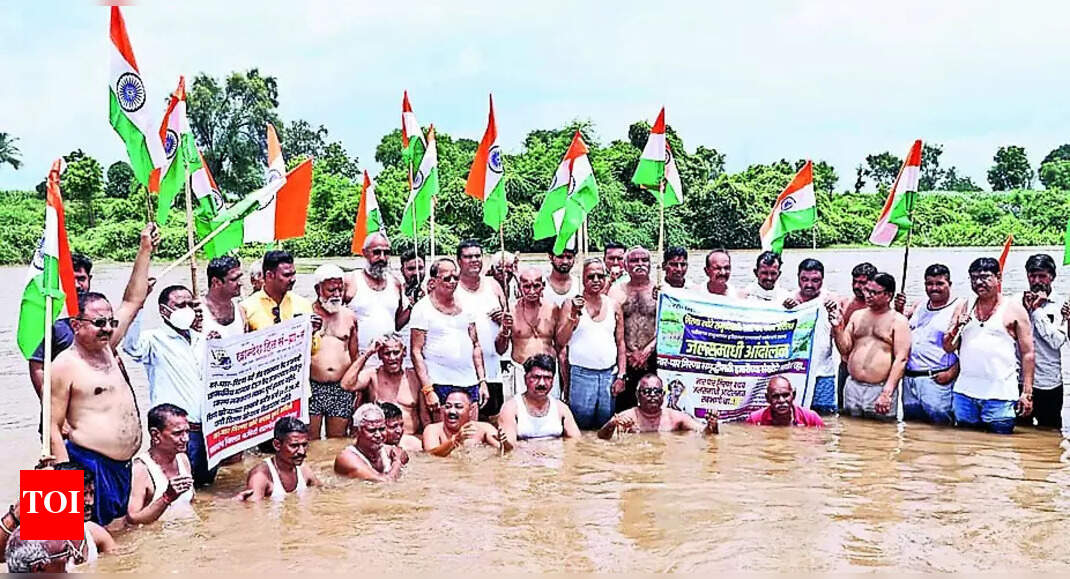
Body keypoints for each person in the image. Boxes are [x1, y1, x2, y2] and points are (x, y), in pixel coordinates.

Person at [49, 224, 159, 527]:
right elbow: (51, 429)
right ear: (76, 325)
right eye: (99, 323)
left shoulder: (107, 347)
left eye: (111, 322)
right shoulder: (64, 365)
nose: (108, 328)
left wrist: (145, 249)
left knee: (120, 537)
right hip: (86, 465)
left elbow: (132, 302)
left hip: (121, 466)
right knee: (71, 539)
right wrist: (65, 477)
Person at [122, 284, 217, 486]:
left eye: (190, 304)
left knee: (206, 488)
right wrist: (138, 305)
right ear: (164, 311)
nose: (187, 310)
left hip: (207, 431)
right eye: (180, 305)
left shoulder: (202, 339)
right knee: (173, 487)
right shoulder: (153, 340)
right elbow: (131, 347)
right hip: (174, 433)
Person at [944, 258, 1035, 434]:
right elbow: (948, 347)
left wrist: (1026, 393)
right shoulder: (964, 306)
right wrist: (956, 327)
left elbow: (1028, 353)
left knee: (1000, 446)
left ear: (998, 278)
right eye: (974, 278)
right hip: (965, 393)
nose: (979, 282)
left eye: (985, 277)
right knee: (964, 444)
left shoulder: (1014, 309)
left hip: (1001, 395)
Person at [410, 258, 488, 420]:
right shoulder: (422, 309)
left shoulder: (467, 305)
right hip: (439, 382)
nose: (452, 282)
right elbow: (416, 351)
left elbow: (476, 345)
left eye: (455, 277)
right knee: (442, 434)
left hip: (469, 382)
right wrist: (428, 390)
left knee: (471, 433)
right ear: (433, 281)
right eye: (447, 278)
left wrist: (482, 381)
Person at [0, 462, 115, 569]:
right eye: (82, 494)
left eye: (91, 493)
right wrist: (17, 514)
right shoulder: (36, 540)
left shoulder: (95, 534)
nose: (90, 502)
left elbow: (116, 565)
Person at [556, 258, 627, 429]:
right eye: (590, 276)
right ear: (582, 278)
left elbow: (620, 343)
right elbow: (561, 341)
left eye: (600, 276)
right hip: (581, 375)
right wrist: (573, 314)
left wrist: (621, 375)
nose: (596, 280)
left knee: (607, 427)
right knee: (580, 428)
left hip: (609, 375)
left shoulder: (614, 305)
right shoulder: (570, 304)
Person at [832, 272, 911, 420]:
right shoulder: (857, 315)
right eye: (867, 290)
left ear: (888, 295)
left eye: (874, 292)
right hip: (853, 386)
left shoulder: (899, 321)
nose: (868, 295)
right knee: (849, 429)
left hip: (880, 388)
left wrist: (887, 393)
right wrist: (837, 328)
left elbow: (901, 359)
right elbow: (844, 348)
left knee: (881, 432)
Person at [893, 264, 962, 425]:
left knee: (941, 431)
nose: (934, 288)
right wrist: (899, 309)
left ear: (949, 284)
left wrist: (952, 372)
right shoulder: (919, 305)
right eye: (929, 283)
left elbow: (968, 348)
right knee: (911, 429)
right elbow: (899, 327)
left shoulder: (959, 305)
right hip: (910, 379)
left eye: (939, 283)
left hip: (936, 380)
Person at [454, 239, 510, 421]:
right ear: (459, 260)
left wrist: (503, 320)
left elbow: (507, 323)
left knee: (493, 423)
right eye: (468, 257)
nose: (474, 260)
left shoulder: (494, 285)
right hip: (463, 371)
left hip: (493, 368)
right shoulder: (452, 289)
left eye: (477, 256)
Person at [27, 253, 93, 398]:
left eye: (81, 279)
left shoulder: (99, 313)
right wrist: (50, 403)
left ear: (90, 279)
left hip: (95, 398)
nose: (76, 285)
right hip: (64, 398)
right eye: (70, 279)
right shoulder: (48, 316)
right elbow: (37, 367)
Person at [308, 264, 360, 439]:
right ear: (318, 289)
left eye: (340, 289)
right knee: (310, 442)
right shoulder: (305, 314)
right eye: (331, 290)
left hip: (341, 387)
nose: (337, 294)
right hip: (312, 387)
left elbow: (355, 356)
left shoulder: (349, 316)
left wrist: (357, 389)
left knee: (337, 441)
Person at [344, 232, 408, 372]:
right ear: (364, 253)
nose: (382, 258)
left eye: (386, 253)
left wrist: (412, 306)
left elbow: (396, 324)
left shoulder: (395, 283)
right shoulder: (350, 280)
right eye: (377, 252)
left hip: (388, 361)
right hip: (358, 361)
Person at [782, 259, 839, 414]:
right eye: (804, 279)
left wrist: (835, 317)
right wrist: (786, 312)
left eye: (815, 280)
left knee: (826, 419)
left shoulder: (830, 301)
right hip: (793, 371)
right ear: (798, 278)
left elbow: (841, 340)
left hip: (823, 373)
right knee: (791, 415)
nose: (809, 285)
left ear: (822, 280)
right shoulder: (787, 300)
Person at [344, 334, 428, 434]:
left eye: (396, 352)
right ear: (380, 355)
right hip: (380, 439)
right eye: (387, 353)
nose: (392, 358)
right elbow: (346, 385)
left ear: (404, 352)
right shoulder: (372, 375)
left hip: (409, 437)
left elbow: (425, 417)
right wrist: (368, 353)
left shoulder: (415, 377)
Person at [1020, 254, 1067, 429]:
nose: (1037, 281)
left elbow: (1057, 341)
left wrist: (1036, 311)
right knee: (1019, 432)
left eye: (1042, 276)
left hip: (1049, 382)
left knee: (1051, 434)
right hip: (1020, 381)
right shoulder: (1017, 302)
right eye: (1032, 276)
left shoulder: (1062, 305)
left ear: (1052, 277)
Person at [126, 404, 195, 524]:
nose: (186, 438)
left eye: (187, 432)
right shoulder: (141, 469)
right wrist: (166, 498)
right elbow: (132, 518)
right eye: (178, 433)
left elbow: (191, 501)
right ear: (155, 435)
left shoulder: (182, 459)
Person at [609, 246, 658, 412]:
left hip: (652, 358)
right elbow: (610, 326)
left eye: (644, 260)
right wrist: (628, 354)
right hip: (625, 359)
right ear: (625, 265)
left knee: (652, 406)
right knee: (624, 409)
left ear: (650, 264)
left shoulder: (660, 290)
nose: (640, 264)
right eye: (634, 260)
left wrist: (648, 350)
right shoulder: (616, 291)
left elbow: (668, 327)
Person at [498, 354, 582, 450]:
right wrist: (505, 444)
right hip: (524, 457)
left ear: (553, 380)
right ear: (525, 378)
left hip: (554, 456)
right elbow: (509, 449)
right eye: (536, 377)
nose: (542, 383)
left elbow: (575, 441)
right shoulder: (511, 408)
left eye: (547, 378)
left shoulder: (561, 408)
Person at [598, 374, 719, 438]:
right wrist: (612, 424)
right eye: (647, 391)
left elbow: (704, 433)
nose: (652, 395)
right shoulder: (628, 417)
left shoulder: (675, 418)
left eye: (657, 392)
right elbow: (601, 438)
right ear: (637, 395)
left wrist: (712, 425)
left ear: (663, 395)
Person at [505, 267, 563, 401]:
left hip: (548, 371)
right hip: (521, 371)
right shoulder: (510, 310)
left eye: (536, 286)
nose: (531, 291)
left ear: (543, 286)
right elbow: (500, 348)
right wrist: (504, 331)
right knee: (521, 410)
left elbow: (560, 345)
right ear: (519, 287)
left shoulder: (553, 309)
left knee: (550, 409)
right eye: (526, 286)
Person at [240, 417, 321, 501]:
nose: (302, 451)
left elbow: (323, 491)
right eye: (294, 446)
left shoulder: (303, 469)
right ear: (277, 445)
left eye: (304, 445)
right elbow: (253, 507)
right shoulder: (260, 476)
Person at [240, 250, 316, 332]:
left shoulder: (303, 304)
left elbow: (313, 339)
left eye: (293, 274)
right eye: (287, 275)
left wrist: (313, 331)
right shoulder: (247, 308)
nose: (293, 279)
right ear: (269, 275)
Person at [837, 262, 877, 409]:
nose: (857, 286)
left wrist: (899, 308)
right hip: (845, 366)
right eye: (855, 281)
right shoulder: (844, 304)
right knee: (843, 411)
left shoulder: (879, 307)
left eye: (862, 283)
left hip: (871, 370)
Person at [334, 404, 405, 482]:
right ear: (356, 431)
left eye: (382, 429)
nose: (378, 435)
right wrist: (398, 461)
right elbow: (386, 482)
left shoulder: (389, 451)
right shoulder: (347, 458)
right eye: (371, 430)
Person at [422, 390, 502, 456]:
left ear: (471, 410)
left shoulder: (484, 428)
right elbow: (430, 456)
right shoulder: (433, 429)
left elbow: (503, 452)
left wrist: (505, 444)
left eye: (458, 407)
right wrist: (455, 440)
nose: (452, 411)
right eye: (448, 406)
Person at [745, 376, 826, 427]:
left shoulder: (811, 418)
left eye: (785, 395)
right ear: (767, 398)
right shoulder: (755, 420)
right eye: (775, 396)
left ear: (793, 395)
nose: (781, 401)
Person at [203, 256, 247, 339]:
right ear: (216, 282)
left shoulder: (240, 311)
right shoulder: (198, 313)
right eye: (234, 279)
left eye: (239, 278)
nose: (240, 283)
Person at [398, 249, 427, 368]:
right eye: (411, 269)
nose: (416, 273)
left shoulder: (433, 292)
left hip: (427, 360)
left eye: (420, 268)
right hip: (402, 360)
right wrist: (412, 305)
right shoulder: (396, 292)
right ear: (402, 270)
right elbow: (396, 326)